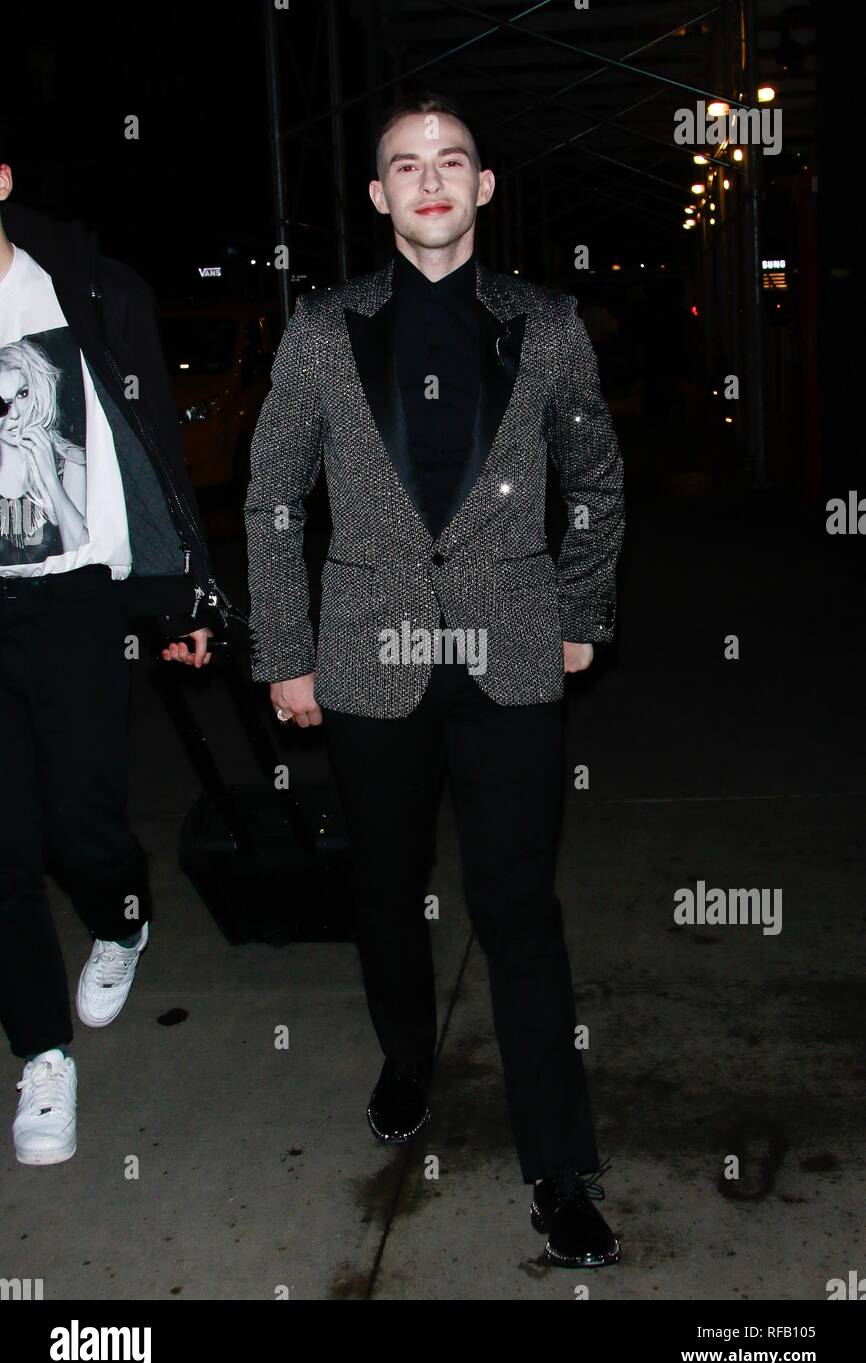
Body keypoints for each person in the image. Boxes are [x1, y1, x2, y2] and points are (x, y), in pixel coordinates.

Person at [245, 92, 625, 1268]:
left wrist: (577, 616)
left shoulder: (548, 323)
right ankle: (407, 1051)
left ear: (482, 187)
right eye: (404, 165)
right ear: (376, 195)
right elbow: (272, 499)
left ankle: (559, 1170)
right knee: (387, 886)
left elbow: (597, 478)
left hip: (508, 648)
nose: (428, 179)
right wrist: (286, 652)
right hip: (366, 653)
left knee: (519, 913)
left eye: (450, 161)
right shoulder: (320, 329)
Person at [0, 156, 227, 1165]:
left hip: (75, 597)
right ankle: (43, 1054)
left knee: (79, 822)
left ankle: (122, 914)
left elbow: (152, 452)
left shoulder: (81, 287)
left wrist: (182, 593)